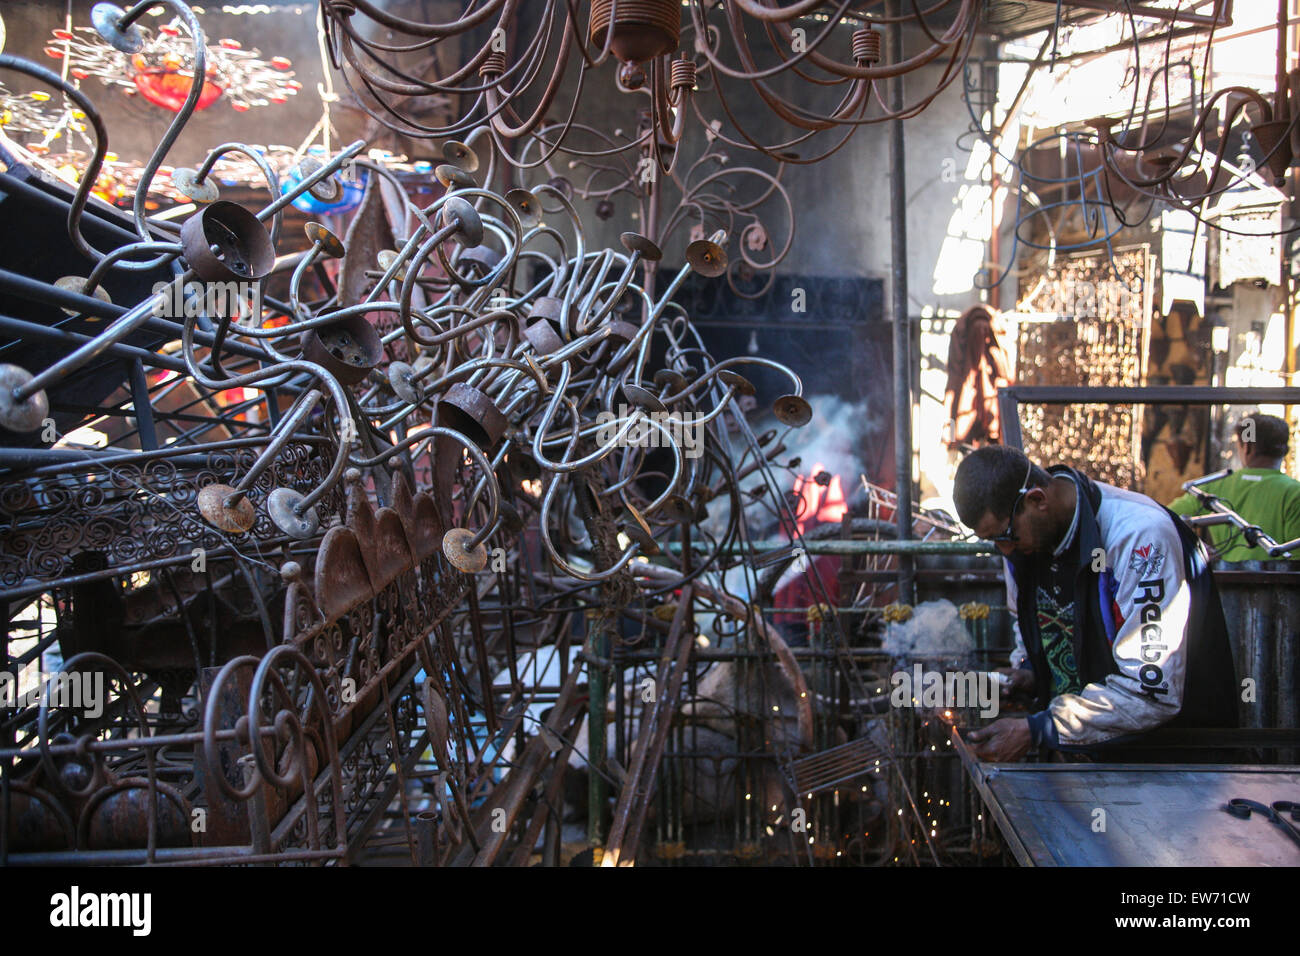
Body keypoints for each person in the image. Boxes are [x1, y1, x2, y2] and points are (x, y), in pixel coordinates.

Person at [951, 445, 1237, 762]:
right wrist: (1030, 671)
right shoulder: (1024, 544)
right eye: (994, 540)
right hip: (1090, 764)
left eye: (1006, 536)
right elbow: (1034, 621)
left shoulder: (1140, 537)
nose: (1005, 550)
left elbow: (1151, 692)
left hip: (1171, 769)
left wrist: (1041, 729)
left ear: (1037, 500)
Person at [1168, 413, 1300, 561]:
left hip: (1225, 581)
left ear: (1247, 448)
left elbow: (1164, 519)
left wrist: (1194, 548)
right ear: (1285, 450)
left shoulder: (1211, 487)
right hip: (1278, 583)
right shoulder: (1295, 492)